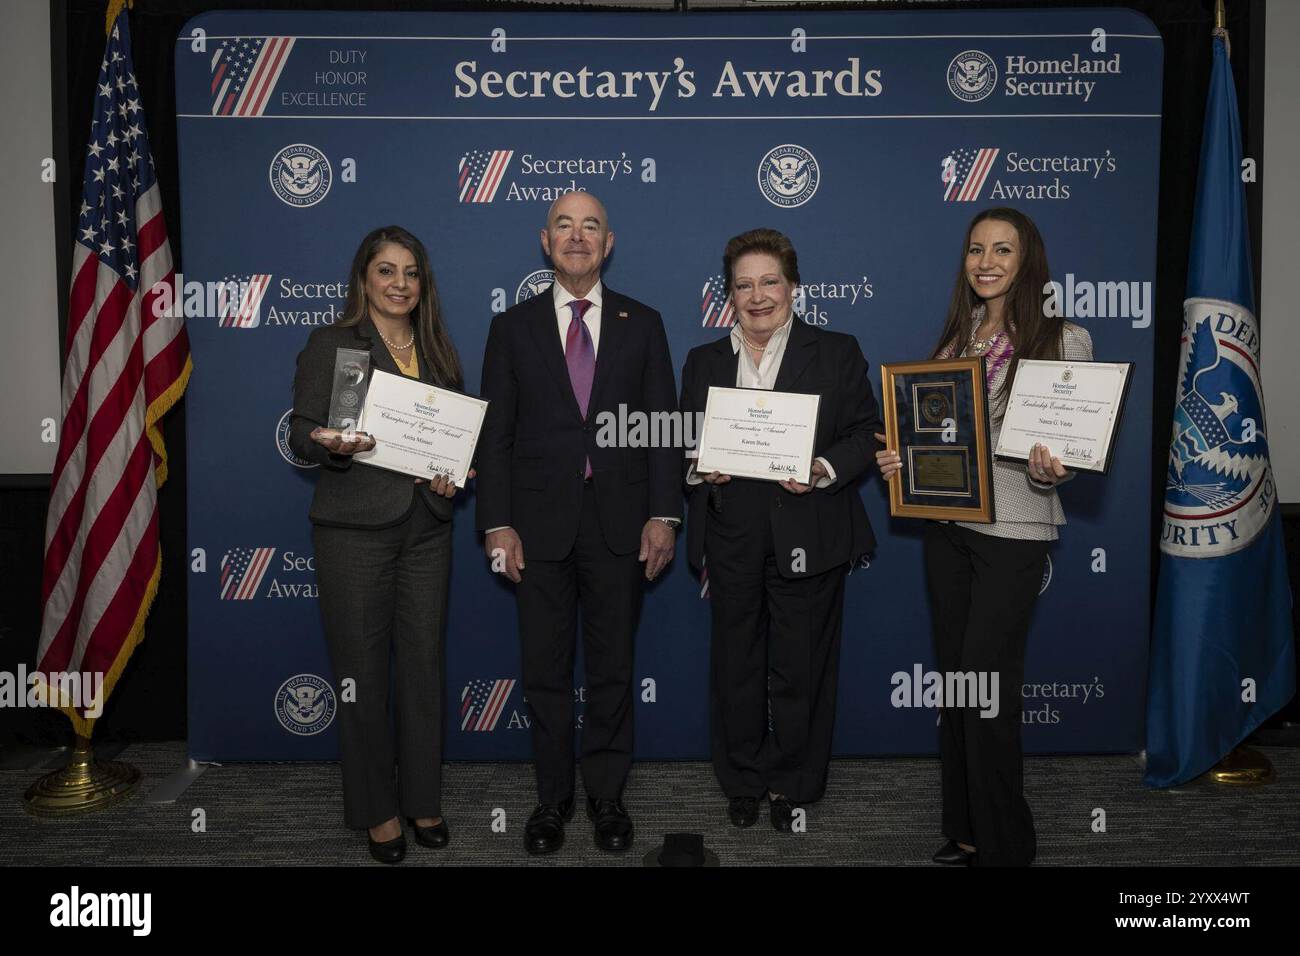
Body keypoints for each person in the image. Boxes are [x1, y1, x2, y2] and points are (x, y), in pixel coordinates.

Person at [875, 207, 1093, 866]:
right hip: (949, 530)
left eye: (1002, 249)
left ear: (1028, 261)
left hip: (1014, 531)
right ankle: (965, 825)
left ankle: (1005, 845)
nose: (987, 262)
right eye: (976, 249)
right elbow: (943, 437)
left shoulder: (1063, 338)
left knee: (989, 687)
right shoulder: (958, 338)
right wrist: (901, 460)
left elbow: (1066, 450)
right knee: (960, 686)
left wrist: (1054, 467)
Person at [476, 192, 681, 855]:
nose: (577, 236)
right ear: (544, 240)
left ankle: (606, 796)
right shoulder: (511, 329)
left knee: (614, 668)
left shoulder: (643, 324)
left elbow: (659, 430)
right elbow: (495, 437)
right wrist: (497, 524)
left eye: (590, 226)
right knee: (545, 669)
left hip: (621, 524)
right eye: (564, 225)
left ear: (609, 242)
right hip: (537, 528)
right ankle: (552, 799)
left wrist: (663, 513)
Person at [679, 228, 882, 831]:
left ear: (793, 287)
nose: (758, 296)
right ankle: (743, 778)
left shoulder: (837, 351)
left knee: (801, 667)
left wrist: (821, 468)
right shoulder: (704, 361)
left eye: (770, 282)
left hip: (811, 531)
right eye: (744, 285)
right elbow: (680, 441)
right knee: (737, 666)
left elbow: (864, 434)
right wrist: (698, 462)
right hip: (732, 536)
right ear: (729, 295)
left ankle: (792, 782)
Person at [288, 225, 466, 864]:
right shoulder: (334, 343)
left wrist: (451, 474)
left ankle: (423, 798)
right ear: (364, 277)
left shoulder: (438, 349)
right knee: (361, 678)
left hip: (426, 529)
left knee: (422, 669)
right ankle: (376, 810)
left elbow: (449, 441)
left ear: (423, 285)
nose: (399, 284)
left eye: (410, 273)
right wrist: (326, 444)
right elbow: (304, 428)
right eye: (386, 271)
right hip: (353, 531)